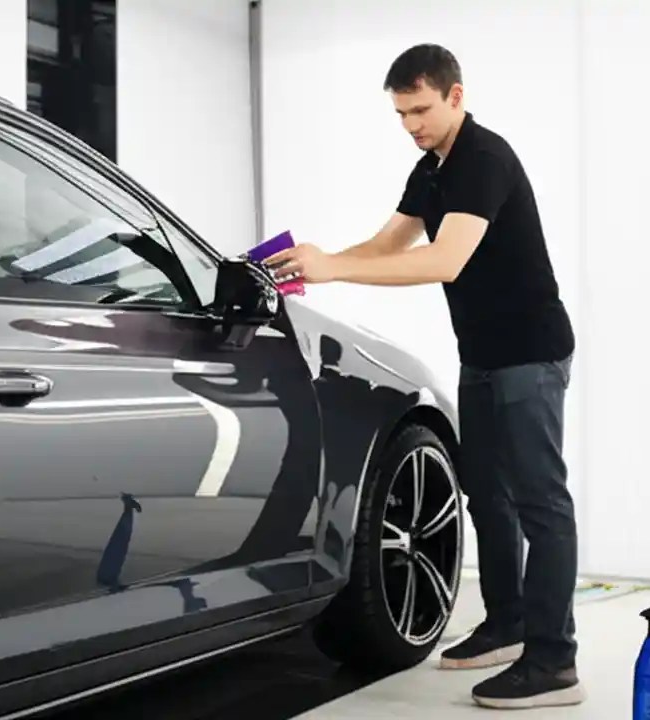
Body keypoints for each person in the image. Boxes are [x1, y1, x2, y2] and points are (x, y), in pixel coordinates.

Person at [264, 43, 583, 709]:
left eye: (421, 109)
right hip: (485, 355)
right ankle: (507, 624)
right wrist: (311, 262)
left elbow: (444, 260)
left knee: (540, 502)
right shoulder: (431, 169)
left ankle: (554, 662)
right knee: (485, 497)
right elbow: (387, 247)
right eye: (402, 113)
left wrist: (335, 268)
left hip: (531, 353)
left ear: (455, 96)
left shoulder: (484, 161)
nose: (411, 124)